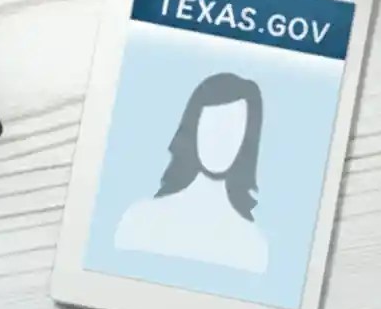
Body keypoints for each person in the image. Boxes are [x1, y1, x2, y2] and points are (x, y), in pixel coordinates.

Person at [114, 72, 269, 273]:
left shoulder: (252, 245)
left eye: (233, 128)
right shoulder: (140, 219)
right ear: (193, 126)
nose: (220, 139)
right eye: (213, 124)